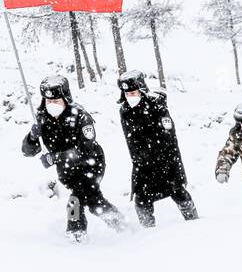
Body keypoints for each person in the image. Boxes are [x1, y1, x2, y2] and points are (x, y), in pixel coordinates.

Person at [21, 73, 127, 241]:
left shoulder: (81, 117)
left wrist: (55, 157)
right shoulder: (42, 118)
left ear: (65, 99)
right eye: (48, 101)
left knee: (75, 200)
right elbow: (27, 151)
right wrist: (32, 137)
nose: (52, 105)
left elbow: (86, 150)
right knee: (93, 200)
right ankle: (120, 223)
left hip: (91, 165)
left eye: (56, 101)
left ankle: (76, 233)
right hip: (68, 171)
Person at [115, 70, 198, 227]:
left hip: (166, 161)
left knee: (178, 192)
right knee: (141, 199)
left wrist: (152, 151)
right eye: (127, 94)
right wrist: (140, 157)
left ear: (141, 90)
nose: (130, 97)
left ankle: (195, 223)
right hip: (142, 165)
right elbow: (130, 139)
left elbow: (169, 135)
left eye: (133, 93)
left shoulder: (156, 105)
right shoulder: (125, 110)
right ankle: (149, 233)